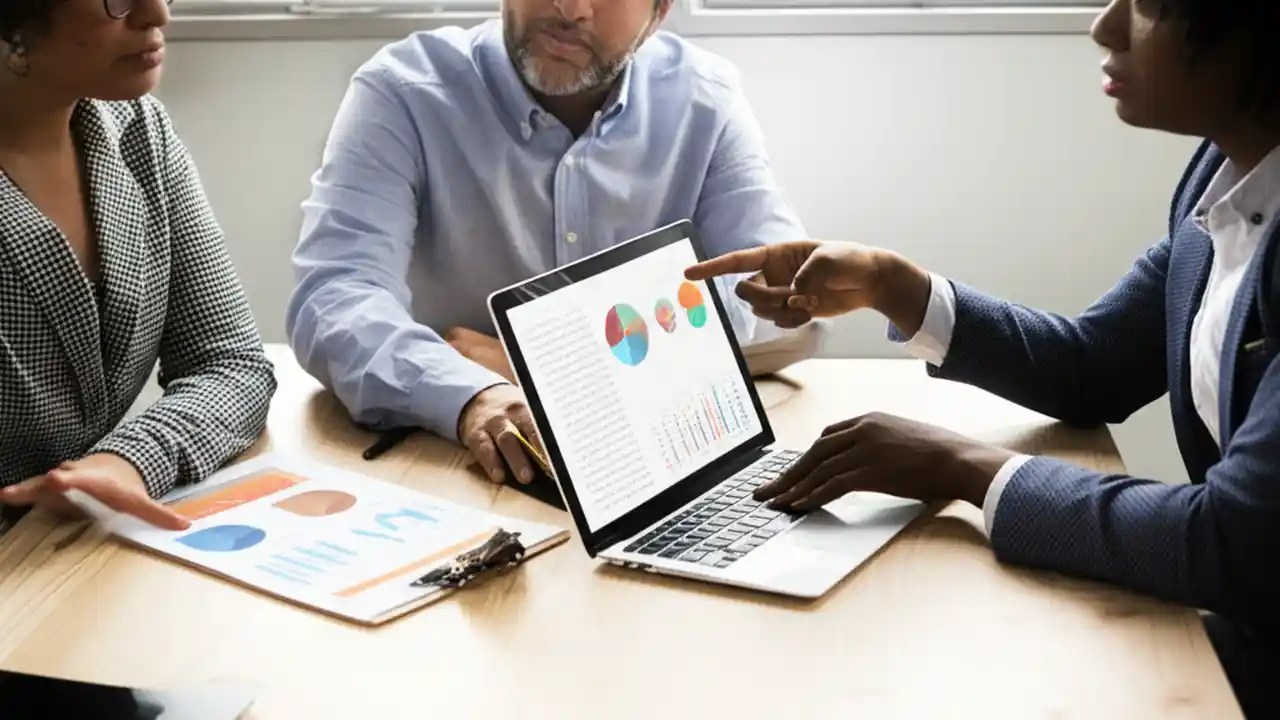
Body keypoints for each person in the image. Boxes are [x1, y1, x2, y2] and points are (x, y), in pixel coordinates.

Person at [687, 0, 1279, 714]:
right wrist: (894, 288)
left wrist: (964, 466)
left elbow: (1232, 541)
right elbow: (1094, 366)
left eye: (1146, 5)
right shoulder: (1223, 174)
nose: (1104, 26)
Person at [287, 0, 821, 489]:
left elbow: (774, 298)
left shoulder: (708, 98)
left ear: (659, 12)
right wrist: (469, 391)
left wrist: (541, 368)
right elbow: (334, 297)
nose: (571, 8)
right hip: (455, 457)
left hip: (653, 458)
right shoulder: (401, 91)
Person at [0, 0, 277, 533]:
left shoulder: (137, 129)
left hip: (73, 545)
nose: (158, 14)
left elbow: (231, 364)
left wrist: (123, 463)